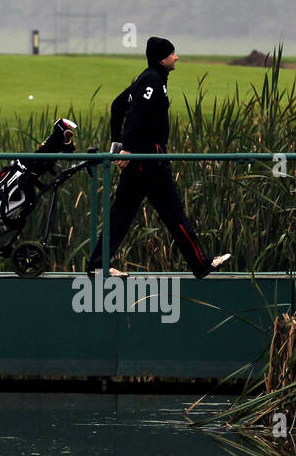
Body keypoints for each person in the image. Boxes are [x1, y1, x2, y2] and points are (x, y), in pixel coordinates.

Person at [86, 36, 230, 278]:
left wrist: (118, 144)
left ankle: (97, 265)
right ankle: (200, 263)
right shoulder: (152, 80)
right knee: (173, 212)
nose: (177, 57)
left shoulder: (147, 77)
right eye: (173, 53)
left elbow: (117, 106)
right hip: (149, 158)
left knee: (122, 214)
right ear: (162, 58)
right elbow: (136, 114)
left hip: (142, 159)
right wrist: (126, 148)